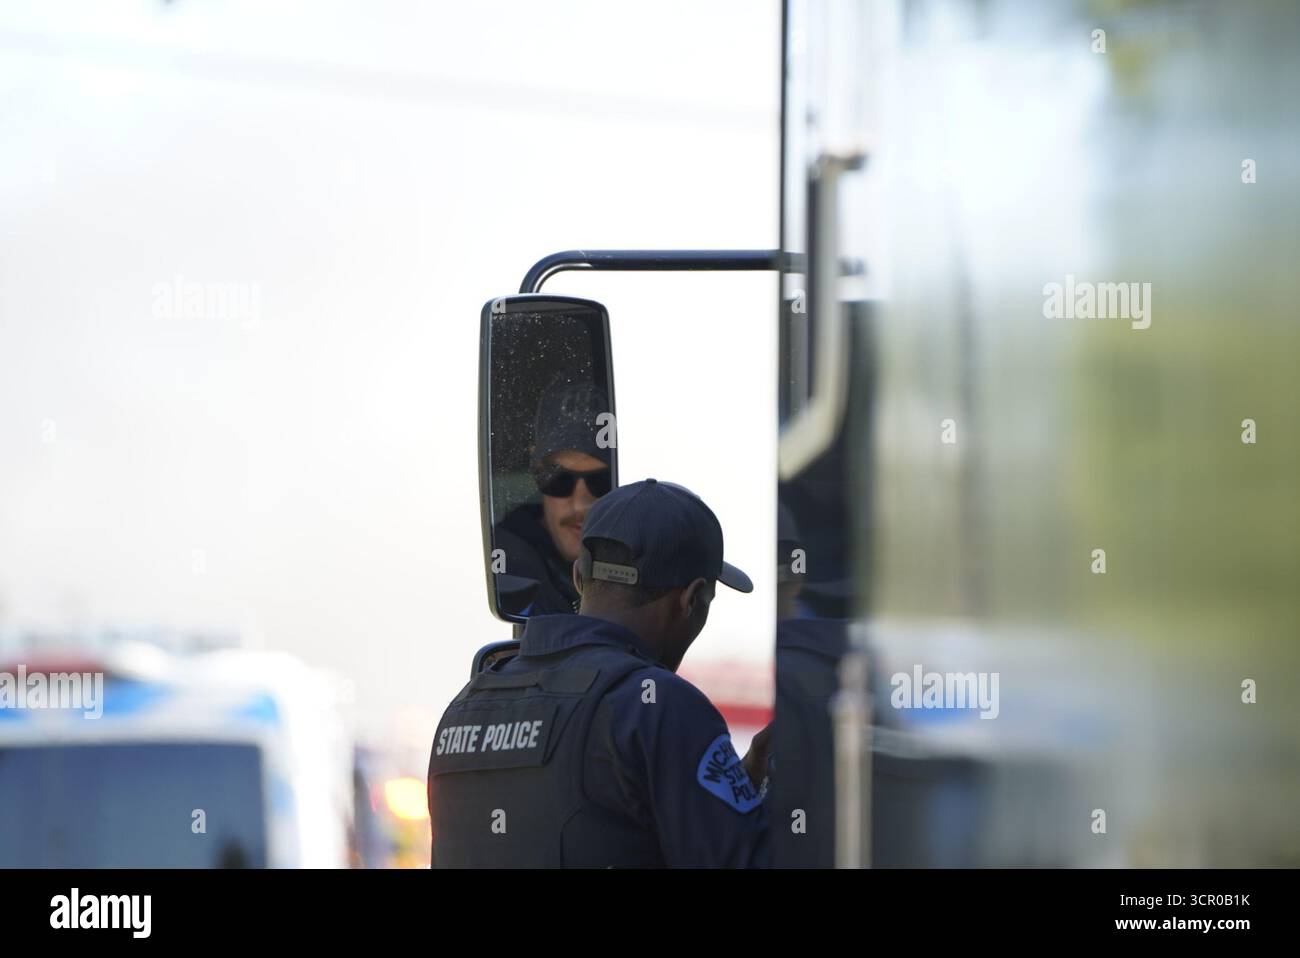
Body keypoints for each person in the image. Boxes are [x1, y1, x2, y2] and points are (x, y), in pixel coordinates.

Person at [429, 478, 770, 867]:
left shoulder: (468, 703)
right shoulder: (659, 706)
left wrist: (730, 783)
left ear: (579, 576)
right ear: (691, 599)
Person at [492, 381, 612, 615]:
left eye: (601, 481)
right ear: (535, 471)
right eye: (558, 479)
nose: (580, 504)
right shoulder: (509, 570)